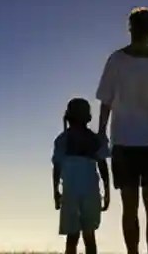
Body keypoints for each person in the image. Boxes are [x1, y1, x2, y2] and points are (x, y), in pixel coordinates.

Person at [96, 7, 148, 254]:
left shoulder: (120, 60)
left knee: (133, 205)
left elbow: (106, 100)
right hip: (144, 140)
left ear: (130, 28)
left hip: (132, 141)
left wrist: (102, 132)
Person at [53, 97, 112, 254]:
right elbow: (103, 167)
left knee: (75, 237)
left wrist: (55, 192)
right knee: (87, 236)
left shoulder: (64, 139)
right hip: (88, 190)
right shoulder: (93, 139)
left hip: (73, 190)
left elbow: (57, 167)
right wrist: (107, 192)